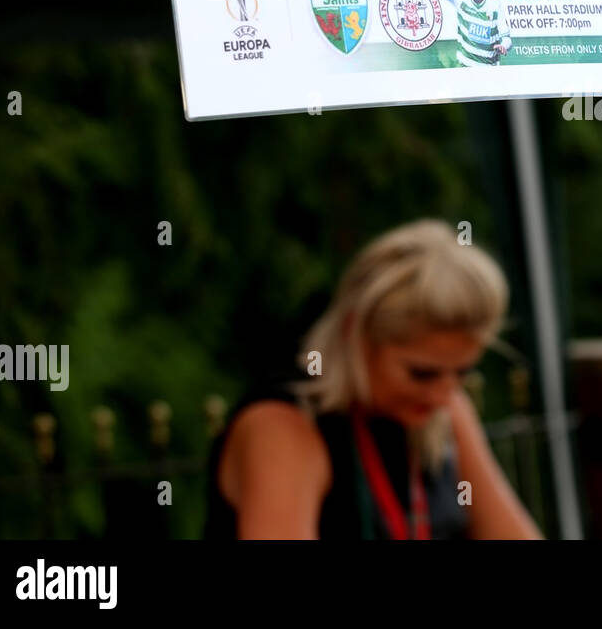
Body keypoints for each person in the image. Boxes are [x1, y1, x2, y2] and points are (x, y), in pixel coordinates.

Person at [204, 220, 543, 539]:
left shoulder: (448, 409)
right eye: (421, 373)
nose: (443, 394)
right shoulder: (283, 425)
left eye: (463, 372)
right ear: (356, 333)